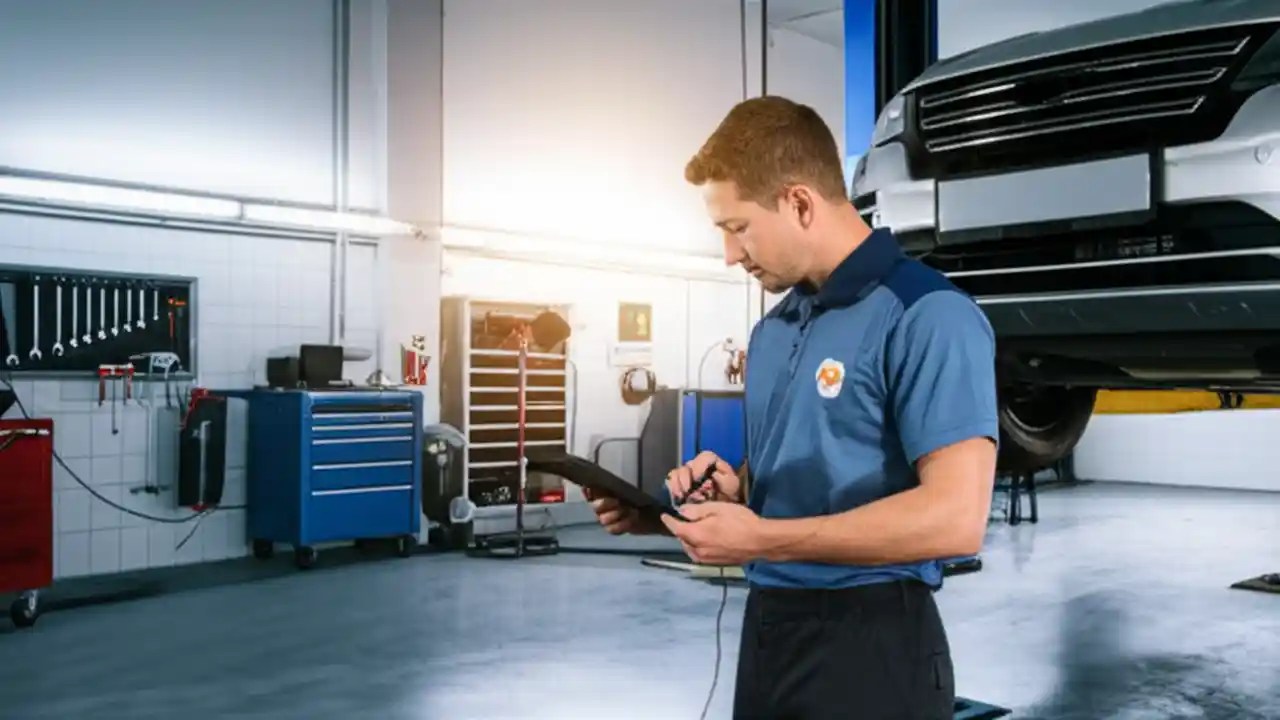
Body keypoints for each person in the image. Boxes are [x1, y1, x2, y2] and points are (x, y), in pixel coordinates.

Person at [588, 96, 999, 719]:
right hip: (770, 634)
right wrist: (725, 498)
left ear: (800, 202)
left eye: (737, 227)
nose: (729, 254)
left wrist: (764, 538)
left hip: (873, 647)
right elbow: (796, 476)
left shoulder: (928, 315)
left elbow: (955, 518)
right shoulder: (774, 330)